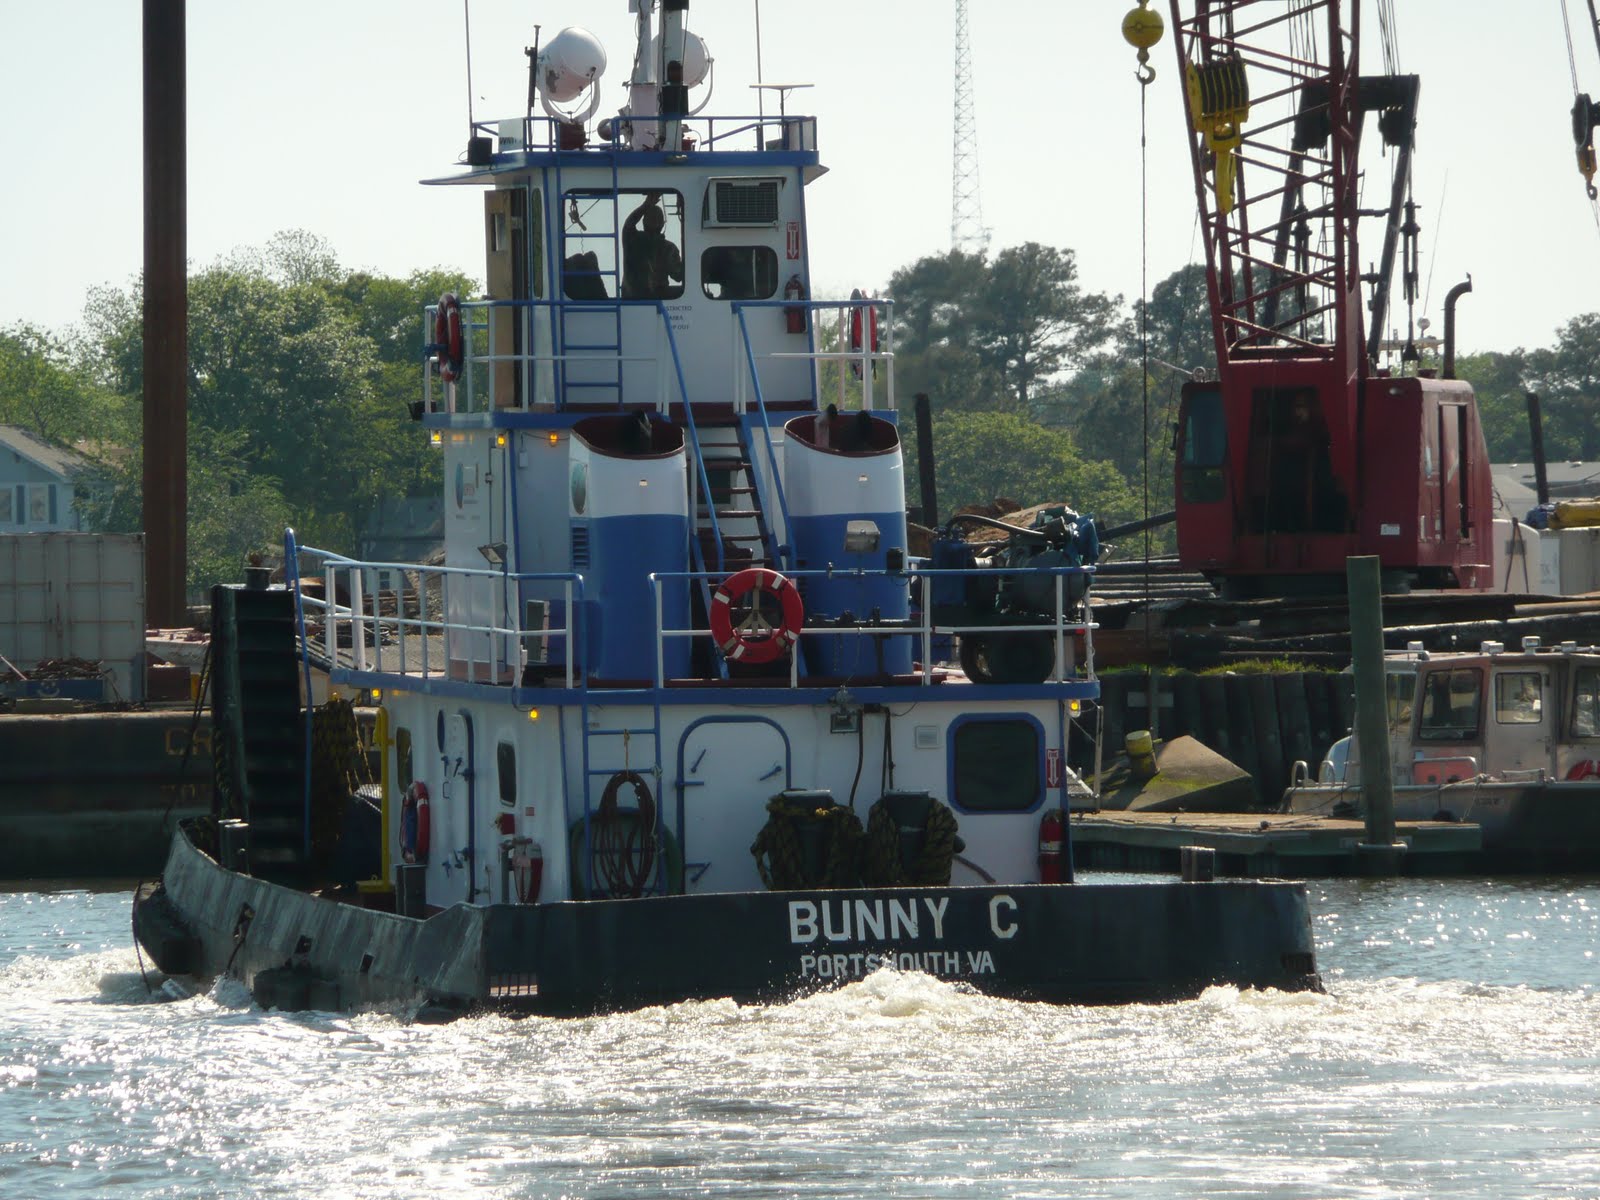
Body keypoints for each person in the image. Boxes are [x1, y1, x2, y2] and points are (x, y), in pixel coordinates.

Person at [621, 193, 684, 299]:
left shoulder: (632, 240)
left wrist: (645, 205)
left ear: (644, 222)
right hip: (658, 297)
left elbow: (628, 224)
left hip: (631, 297)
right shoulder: (669, 248)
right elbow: (678, 276)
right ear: (663, 224)